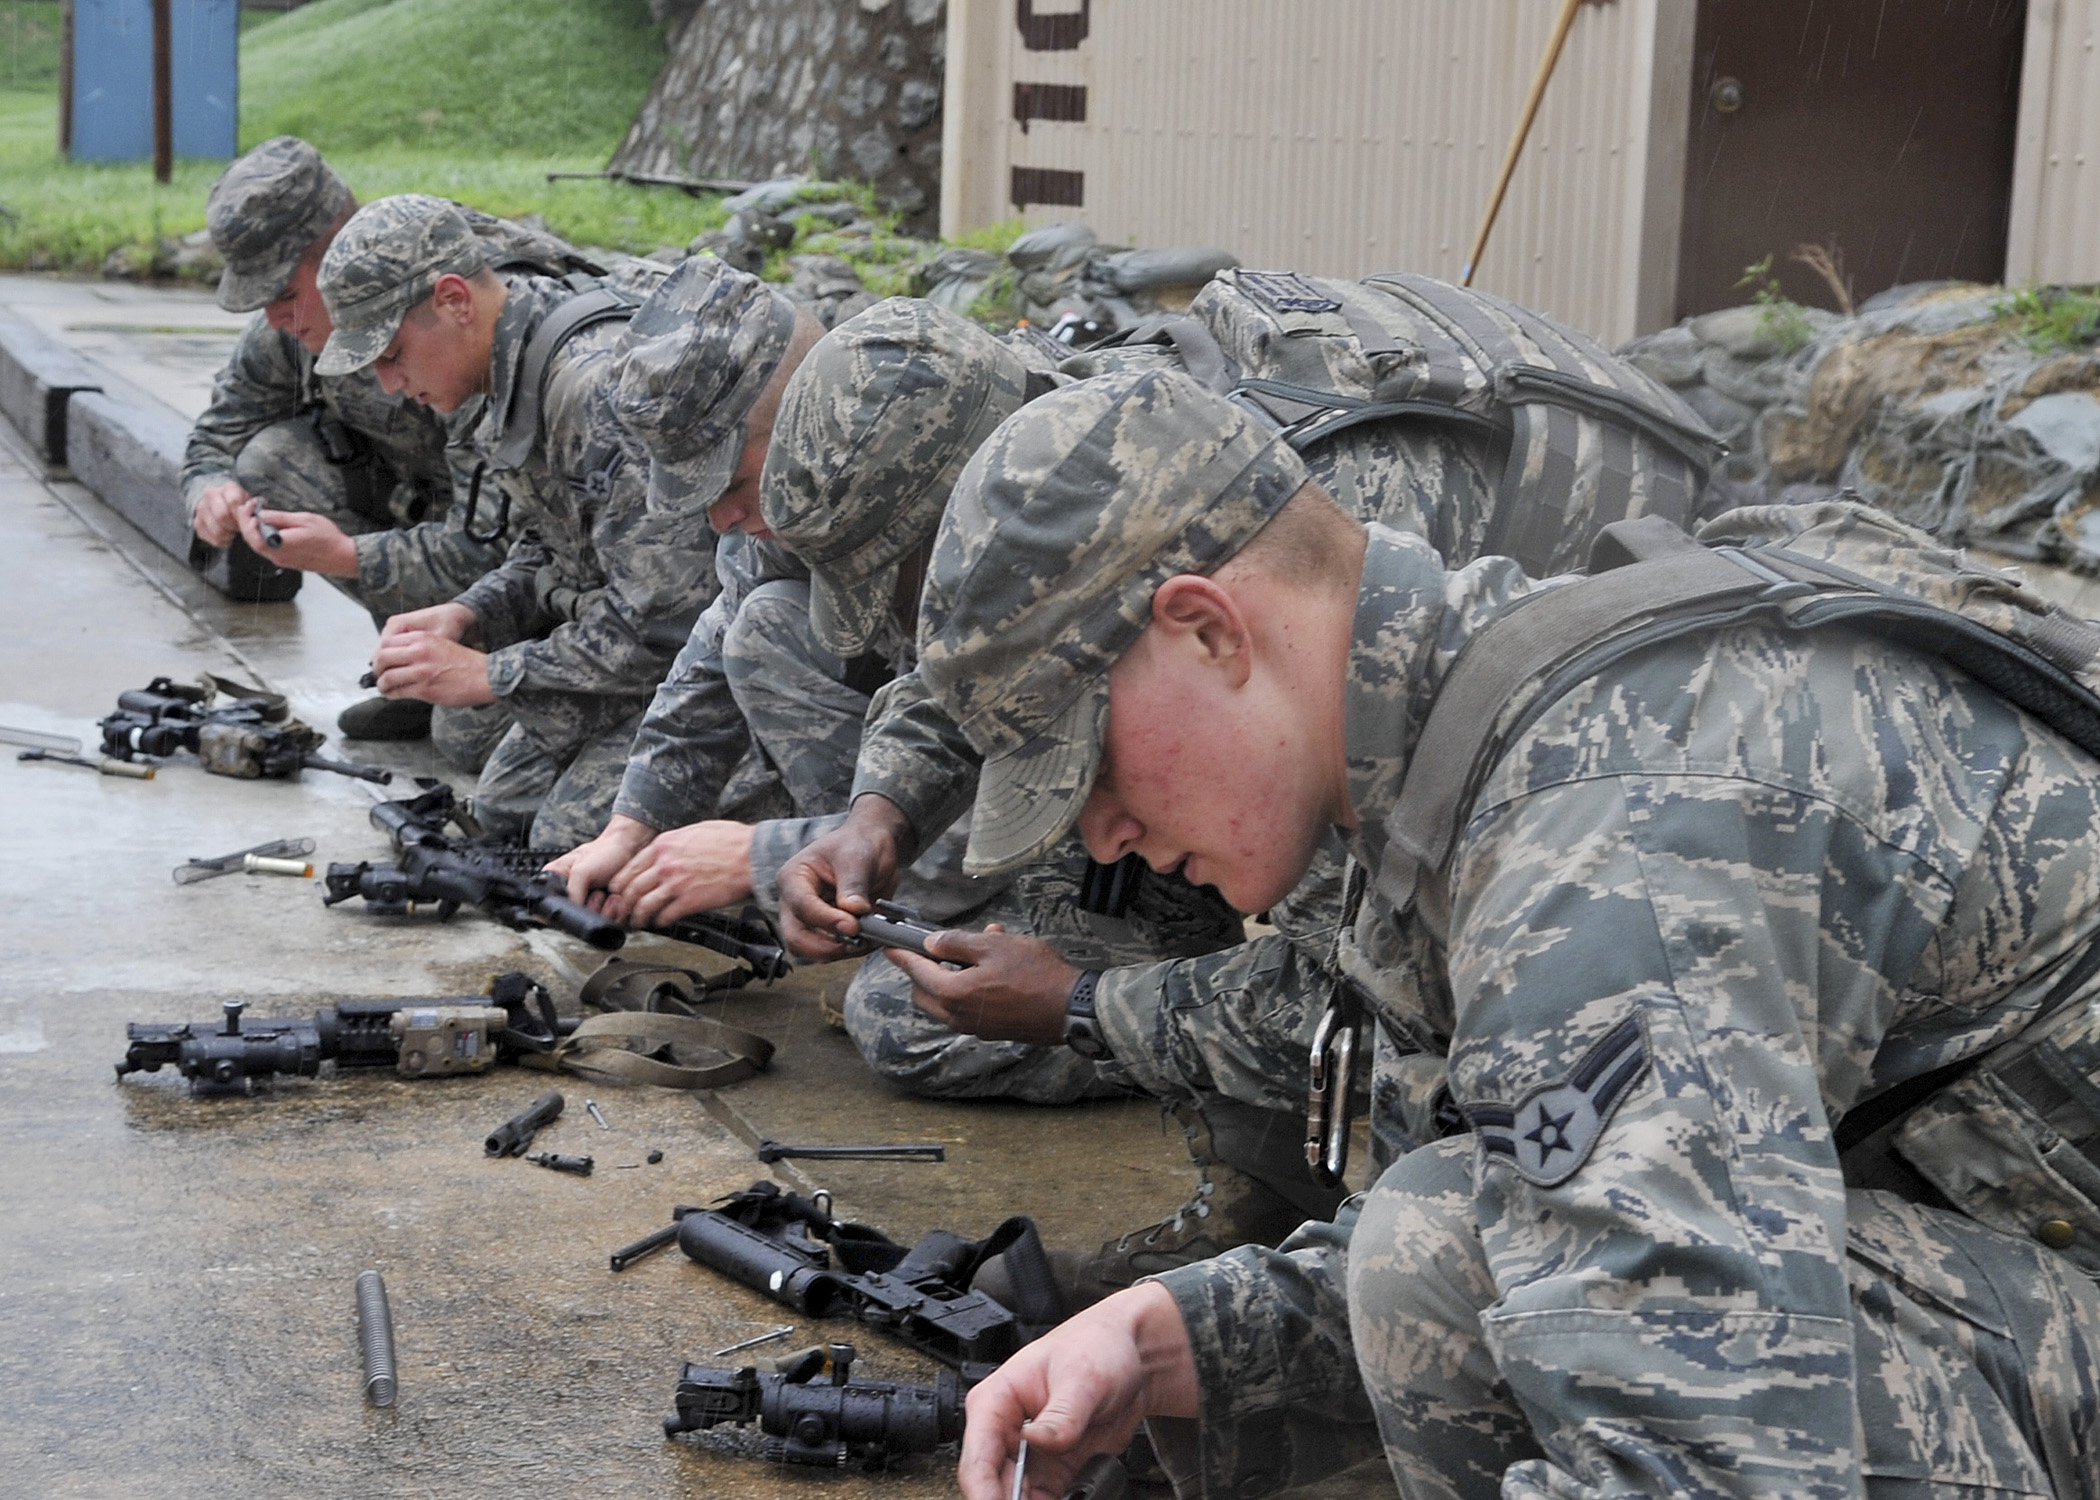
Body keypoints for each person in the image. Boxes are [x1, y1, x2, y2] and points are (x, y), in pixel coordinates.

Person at [913, 368, 2100, 1500]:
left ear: (1208, 630)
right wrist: (1165, 1338)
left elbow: (1711, 1455)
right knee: (1432, 1244)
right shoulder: (1486, 731)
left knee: (1448, 1253)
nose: (1105, 837)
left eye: (1093, 765)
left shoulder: (1607, 829)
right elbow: (1530, 1204)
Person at [314, 196, 723, 849]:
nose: (389, 384)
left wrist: (488, 674)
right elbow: (557, 540)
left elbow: (667, 626)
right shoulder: (507, 365)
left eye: (392, 353)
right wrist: (471, 614)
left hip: (721, 668)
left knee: (561, 841)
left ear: (453, 301)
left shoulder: (590, 388)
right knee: (502, 808)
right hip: (641, 642)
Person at [183, 136, 593, 743]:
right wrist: (207, 490)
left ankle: (466, 670)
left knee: (471, 743)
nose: (272, 318)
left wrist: (348, 557)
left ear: (334, 248)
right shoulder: (297, 322)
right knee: (269, 460)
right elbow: (222, 428)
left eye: (283, 293)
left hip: (545, 559)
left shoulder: (462, 320)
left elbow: (508, 542)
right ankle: (414, 667)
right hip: (446, 517)